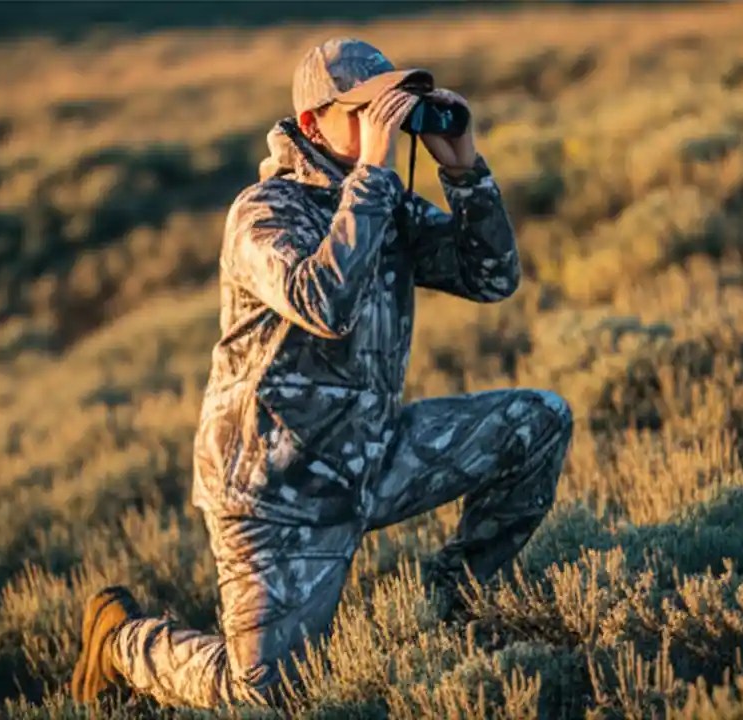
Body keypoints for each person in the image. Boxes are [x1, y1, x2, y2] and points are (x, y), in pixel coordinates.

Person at [70, 37, 573, 710]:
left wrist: (466, 172)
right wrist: (372, 174)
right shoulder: (264, 212)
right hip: (277, 491)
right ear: (312, 125)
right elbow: (321, 303)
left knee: (538, 420)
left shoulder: (382, 204)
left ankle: (453, 608)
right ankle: (123, 644)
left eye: (394, 107)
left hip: (371, 455)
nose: (386, 125)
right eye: (365, 111)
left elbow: (491, 277)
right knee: (262, 695)